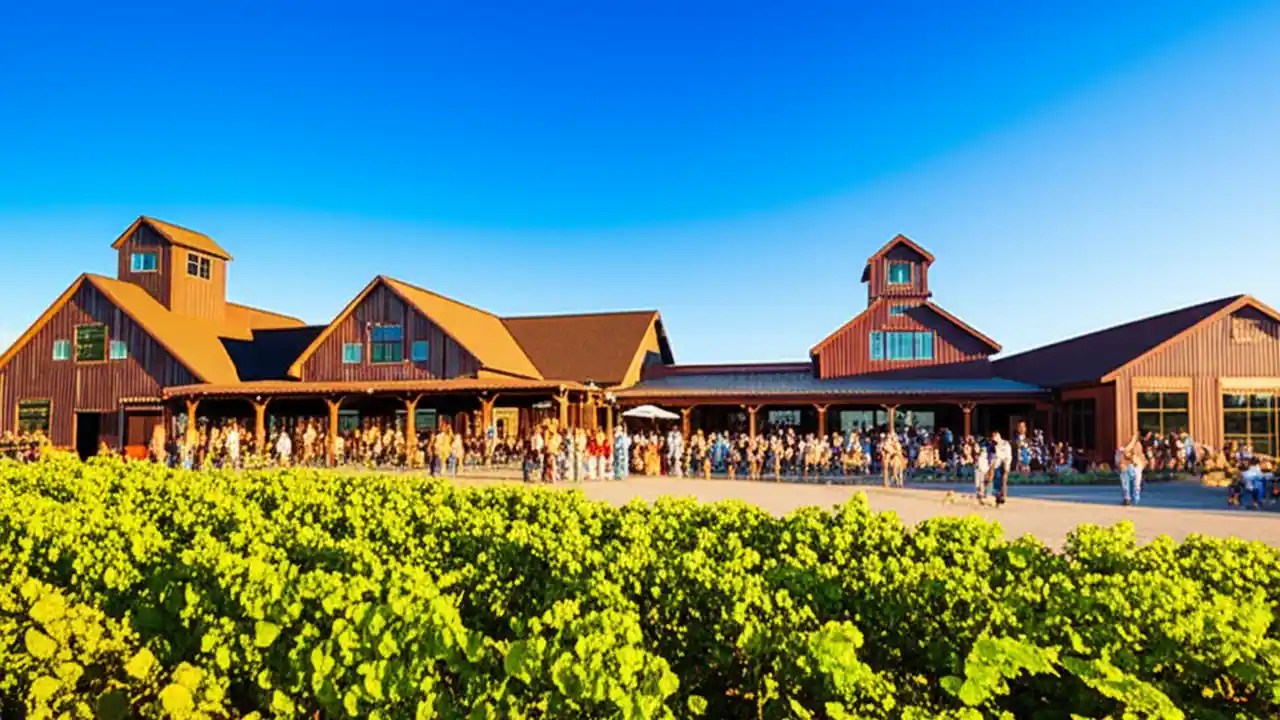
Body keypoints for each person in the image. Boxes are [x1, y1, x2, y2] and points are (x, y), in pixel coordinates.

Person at [991, 431, 1012, 506]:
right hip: (996, 465)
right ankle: (997, 497)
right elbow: (992, 455)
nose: (994, 440)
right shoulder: (992, 445)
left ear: (998, 437)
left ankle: (1003, 496)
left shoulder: (1005, 444)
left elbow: (1009, 455)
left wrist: (1007, 464)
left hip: (1004, 463)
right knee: (996, 481)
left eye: (995, 438)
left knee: (1003, 481)